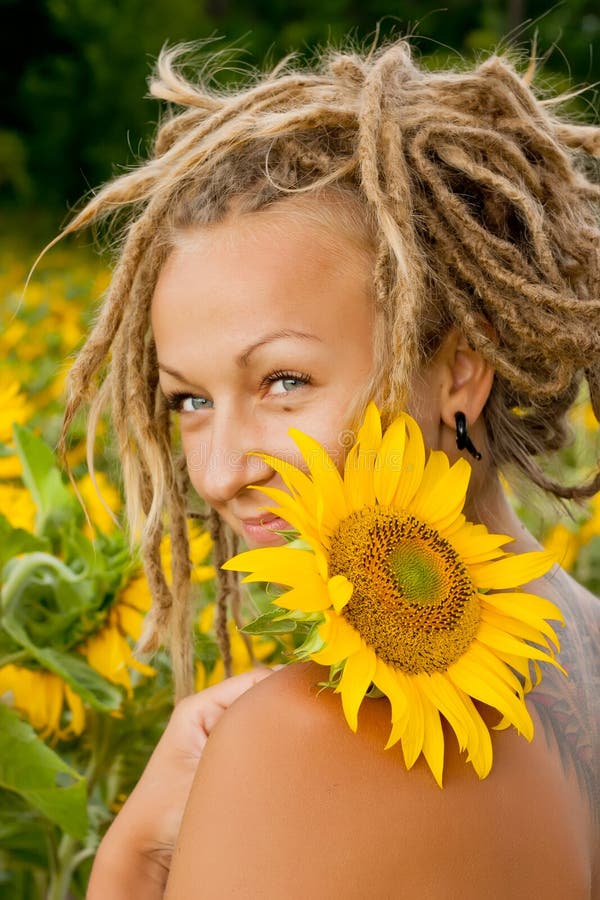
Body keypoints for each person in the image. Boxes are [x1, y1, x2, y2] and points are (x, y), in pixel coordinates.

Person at [55, 37, 599, 898]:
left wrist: (130, 860)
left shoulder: (304, 739)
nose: (222, 470)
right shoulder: (587, 636)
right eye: (188, 401)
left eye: (283, 381)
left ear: (460, 366)